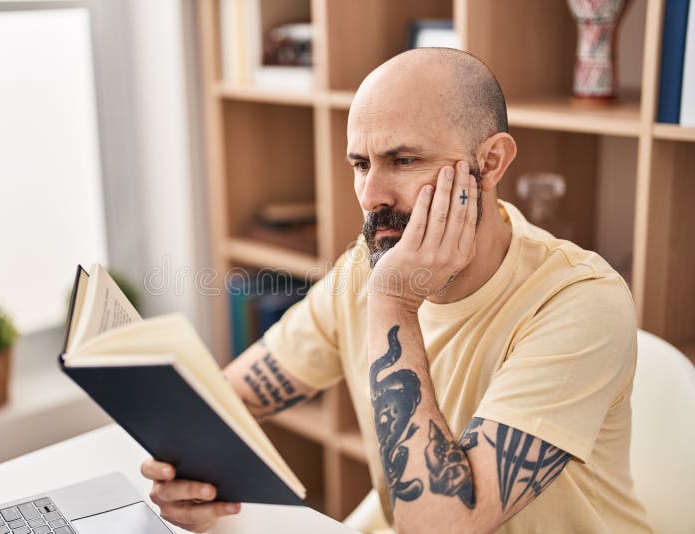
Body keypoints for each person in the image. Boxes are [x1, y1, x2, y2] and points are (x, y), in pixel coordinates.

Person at [141, 48, 651, 533]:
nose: (370, 195)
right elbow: (222, 400)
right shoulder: (365, 270)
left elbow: (440, 528)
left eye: (404, 161)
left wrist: (394, 303)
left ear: (491, 163)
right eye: (361, 164)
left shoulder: (580, 302)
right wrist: (189, 481)